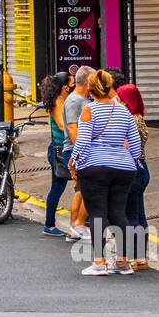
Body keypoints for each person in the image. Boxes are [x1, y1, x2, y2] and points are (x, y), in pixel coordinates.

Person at [69, 69, 142, 276]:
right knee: (119, 213)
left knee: (98, 214)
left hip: (95, 168)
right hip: (124, 168)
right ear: (110, 88)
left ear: (91, 90)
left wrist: (73, 161)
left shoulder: (89, 111)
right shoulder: (124, 111)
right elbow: (135, 144)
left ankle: (99, 262)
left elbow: (82, 142)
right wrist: (130, 160)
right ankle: (122, 261)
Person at [117, 81, 151, 270]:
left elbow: (128, 147)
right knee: (139, 213)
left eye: (120, 99)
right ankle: (141, 258)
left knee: (131, 215)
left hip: (133, 169)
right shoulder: (139, 118)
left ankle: (133, 257)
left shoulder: (132, 121)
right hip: (142, 168)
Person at [61, 65, 94, 242]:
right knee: (83, 190)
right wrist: (81, 152)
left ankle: (76, 228)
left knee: (81, 190)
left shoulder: (84, 100)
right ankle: (76, 226)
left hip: (80, 150)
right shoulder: (75, 101)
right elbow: (73, 129)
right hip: (75, 150)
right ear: (88, 81)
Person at [39, 71, 73, 238]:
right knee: (58, 187)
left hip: (59, 148)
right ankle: (49, 225)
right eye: (71, 82)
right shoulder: (58, 102)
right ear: (64, 86)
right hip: (60, 150)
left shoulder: (61, 100)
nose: (73, 84)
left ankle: (83, 220)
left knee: (66, 186)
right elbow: (61, 125)